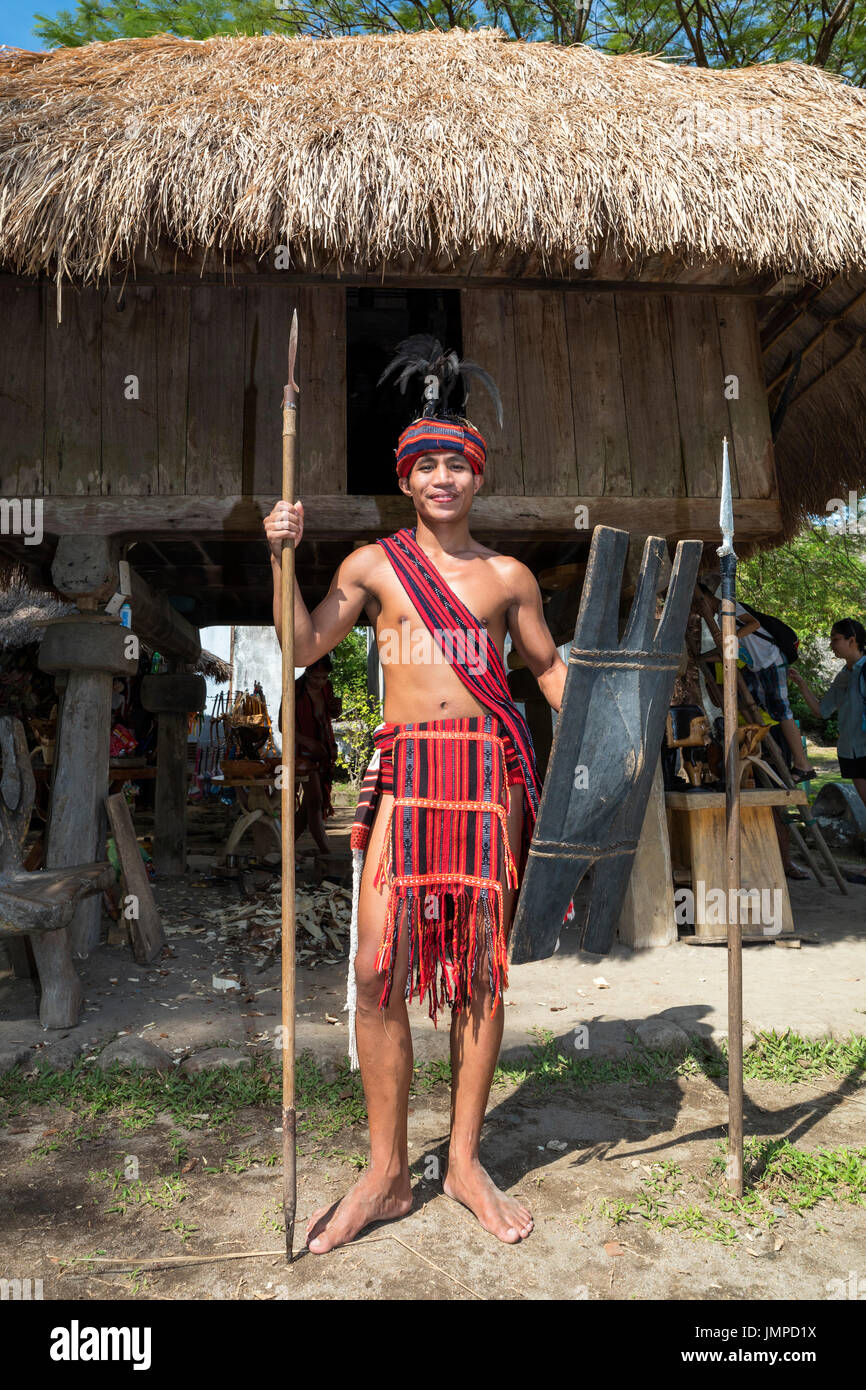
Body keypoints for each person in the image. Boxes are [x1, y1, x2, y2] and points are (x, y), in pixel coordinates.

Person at [263, 336, 567, 1253]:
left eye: (457, 465)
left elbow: (550, 674)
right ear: (408, 480)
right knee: (374, 967)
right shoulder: (371, 565)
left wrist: (620, 723)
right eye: (427, 464)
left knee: (477, 966)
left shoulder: (509, 577)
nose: (443, 478)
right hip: (407, 769)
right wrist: (282, 558)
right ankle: (388, 1170)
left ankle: (466, 1162)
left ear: (477, 477)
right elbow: (300, 648)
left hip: (486, 775)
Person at [697, 578, 816, 782]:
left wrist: (731, 636)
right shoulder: (720, 619)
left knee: (782, 710)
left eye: (697, 606)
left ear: (706, 597)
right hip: (756, 668)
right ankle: (772, 747)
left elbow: (754, 624)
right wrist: (701, 658)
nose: (698, 612)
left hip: (771, 661)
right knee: (746, 701)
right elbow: (731, 653)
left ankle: (803, 764)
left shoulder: (728, 606)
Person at [789, 619, 866, 811]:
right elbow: (821, 711)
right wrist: (802, 684)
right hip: (852, 752)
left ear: (852, 640)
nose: (831, 644)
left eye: (835, 639)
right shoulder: (844, 675)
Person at [293, 655, 342, 857]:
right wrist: (308, 742)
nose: (319, 682)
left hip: (324, 752)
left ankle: (281, 848)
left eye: (323, 677)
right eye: (315, 677)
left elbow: (330, 715)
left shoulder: (326, 688)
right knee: (315, 802)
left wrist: (336, 710)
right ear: (307, 672)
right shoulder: (294, 690)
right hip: (302, 754)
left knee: (307, 809)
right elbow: (282, 726)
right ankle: (326, 851)